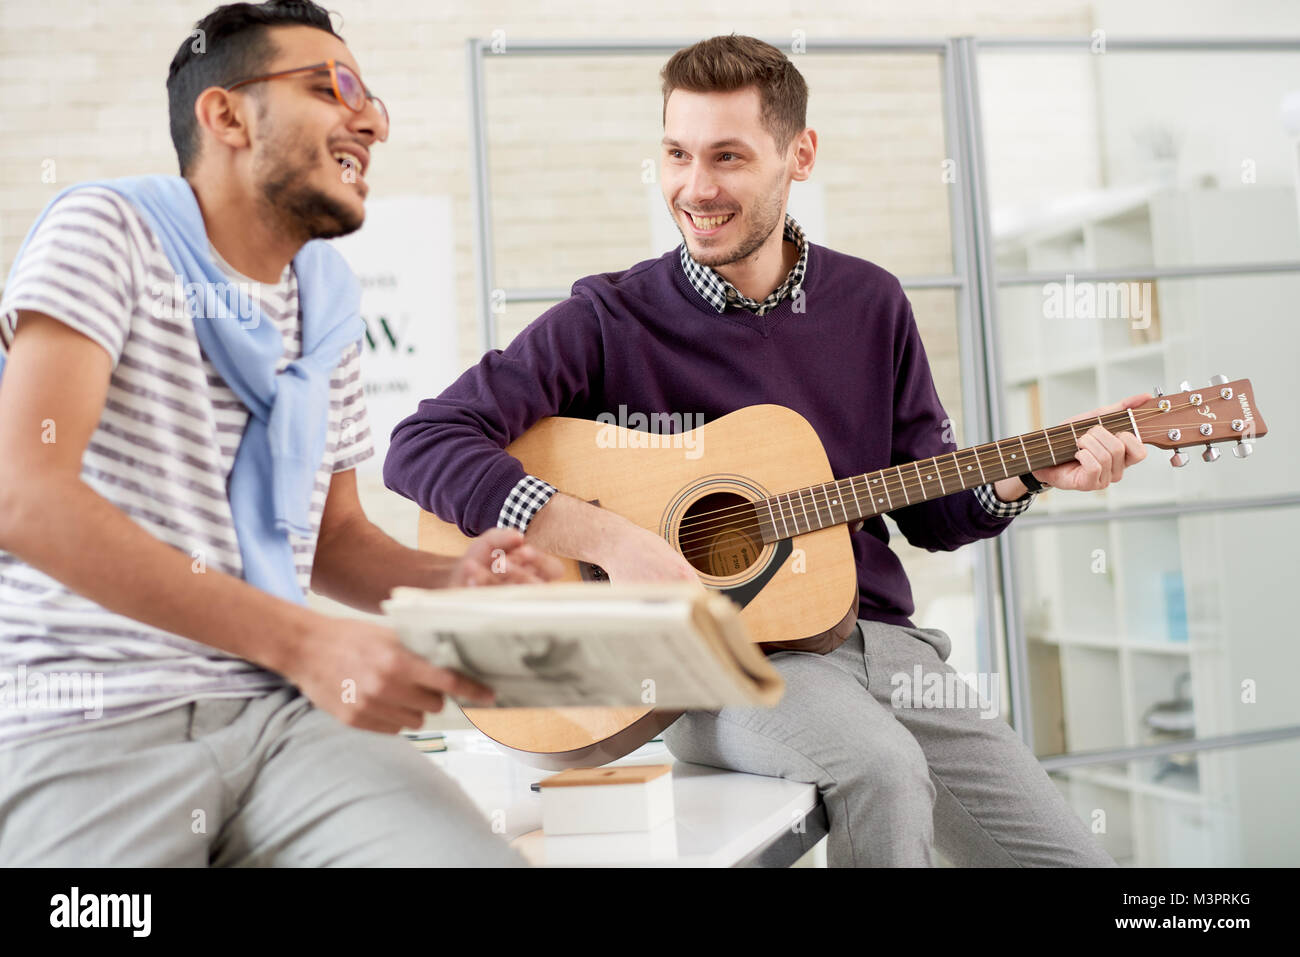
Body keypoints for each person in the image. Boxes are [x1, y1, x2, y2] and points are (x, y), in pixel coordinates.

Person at [383, 34, 1148, 867]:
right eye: (676, 153)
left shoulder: (869, 303)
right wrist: (609, 540)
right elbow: (423, 443)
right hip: (720, 663)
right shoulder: (606, 321)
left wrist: (1025, 474)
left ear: (799, 154)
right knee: (882, 770)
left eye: (728, 157)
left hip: (883, 644)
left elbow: (926, 510)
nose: (695, 187)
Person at [0, 0, 559, 867]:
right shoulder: (106, 231)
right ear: (224, 113)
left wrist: (453, 581)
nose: (368, 118)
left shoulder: (326, 300)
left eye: (371, 98)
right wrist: (306, 642)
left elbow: (333, 539)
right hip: (91, 717)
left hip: (279, 716)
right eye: (331, 86)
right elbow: (23, 496)